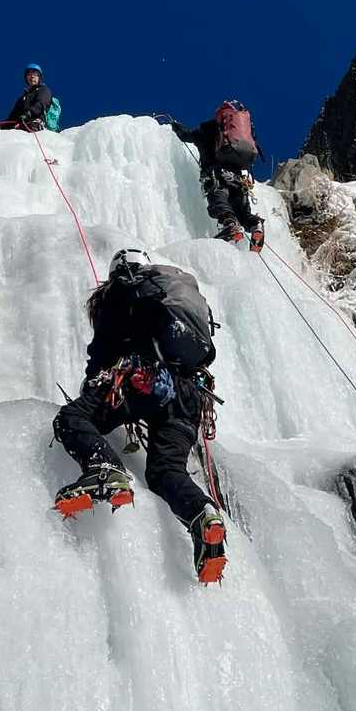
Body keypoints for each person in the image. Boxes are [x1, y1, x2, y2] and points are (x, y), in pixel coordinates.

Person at [51, 249, 228, 583]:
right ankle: (201, 513)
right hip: (190, 398)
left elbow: (101, 354)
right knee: (165, 471)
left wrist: (94, 388)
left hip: (141, 381)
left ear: (118, 270)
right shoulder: (174, 294)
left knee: (73, 418)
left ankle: (105, 469)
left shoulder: (122, 290)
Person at [171, 102, 265, 251]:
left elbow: (185, 135)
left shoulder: (206, 129)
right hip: (239, 179)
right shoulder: (235, 137)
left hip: (217, 175)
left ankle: (230, 226)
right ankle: (255, 225)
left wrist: (174, 126)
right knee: (242, 211)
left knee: (219, 201)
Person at [7, 64, 53, 129]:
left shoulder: (44, 90)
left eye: (35, 74)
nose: (32, 76)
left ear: (39, 77)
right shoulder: (22, 99)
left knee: (31, 126)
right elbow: (11, 118)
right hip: (21, 124)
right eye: (29, 74)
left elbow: (41, 104)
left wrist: (28, 114)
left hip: (36, 123)